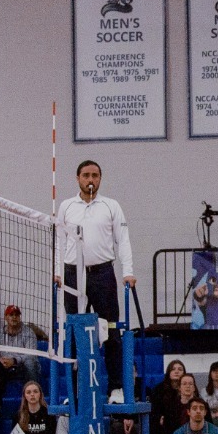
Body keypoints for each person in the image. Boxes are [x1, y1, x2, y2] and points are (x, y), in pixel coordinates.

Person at [56, 159, 137, 394]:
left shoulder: (111, 206)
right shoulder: (66, 206)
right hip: (73, 275)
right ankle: (75, 392)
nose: (90, 180)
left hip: (102, 274)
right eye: (86, 175)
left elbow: (123, 240)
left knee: (111, 330)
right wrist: (58, 272)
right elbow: (59, 242)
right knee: (74, 332)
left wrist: (128, 271)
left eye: (95, 175)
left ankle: (116, 388)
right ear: (78, 178)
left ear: (100, 178)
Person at [0, 305, 47, 390]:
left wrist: (14, 360)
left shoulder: (29, 333)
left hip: (22, 366)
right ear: (5, 317)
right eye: (11, 315)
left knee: (30, 362)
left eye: (17, 315)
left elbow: (31, 354)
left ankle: (33, 392)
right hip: (3, 366)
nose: (14, 317)